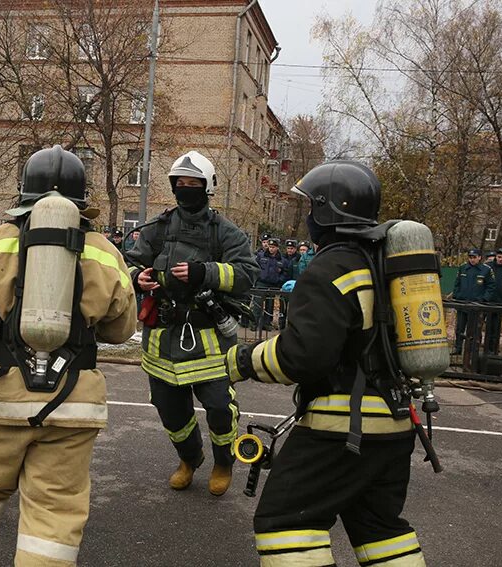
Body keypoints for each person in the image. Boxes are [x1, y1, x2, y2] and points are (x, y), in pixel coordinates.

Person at [0, 145, 137, 566]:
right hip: (73, 406)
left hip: (2, 399)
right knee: (54, 514)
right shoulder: (104, 251)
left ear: (24, 194)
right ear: (83, 202)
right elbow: (121, 329)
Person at [226, 160, 426, 567]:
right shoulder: (382, 260)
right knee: (380, 530)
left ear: (326, 210)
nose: (306, 218)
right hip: (394, 425)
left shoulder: (331, 267)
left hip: (343, 430)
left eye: (309, 207)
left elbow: (305, 356)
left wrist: (243, 360)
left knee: (284, 522)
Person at [127, 150, 259, 496]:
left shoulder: (225, 232)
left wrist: (207, 273)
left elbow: (248, 274)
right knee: (171, 411)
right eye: (180, 183)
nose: (185, 189)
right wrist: (137, 277)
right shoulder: (158, 227)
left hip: (209, 338)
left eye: (193, 183)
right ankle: (189, 459)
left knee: (219, 407)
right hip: (162, 338)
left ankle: (223, 461)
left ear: (207, 187)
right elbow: (126, 266)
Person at [451, 248, 495, 355]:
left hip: (477, 305)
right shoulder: (463, 268)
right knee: (460, 328)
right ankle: (458, 347)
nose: (472, 260)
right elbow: (457, 284)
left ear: (479, 257)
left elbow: (491, 286)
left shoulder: (486, 270)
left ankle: (472, 349)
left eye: (474, 257)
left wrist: (484, 299)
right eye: (470, 257)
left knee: (475, 329)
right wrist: (457, 296)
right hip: (463, 303)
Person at [251, 238, 289, 331]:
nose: (271, 249)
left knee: (270, 305)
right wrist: (258, 277)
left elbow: (285, 272)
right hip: (261, 283)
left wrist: (279, 280)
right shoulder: (261, 256)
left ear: (277, 248)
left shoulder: (282, 260)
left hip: (273, 285)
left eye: (273, 247)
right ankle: (254, 323)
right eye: (270, 247)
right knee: (257, 304)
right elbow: (255, 267)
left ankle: (266, 324)